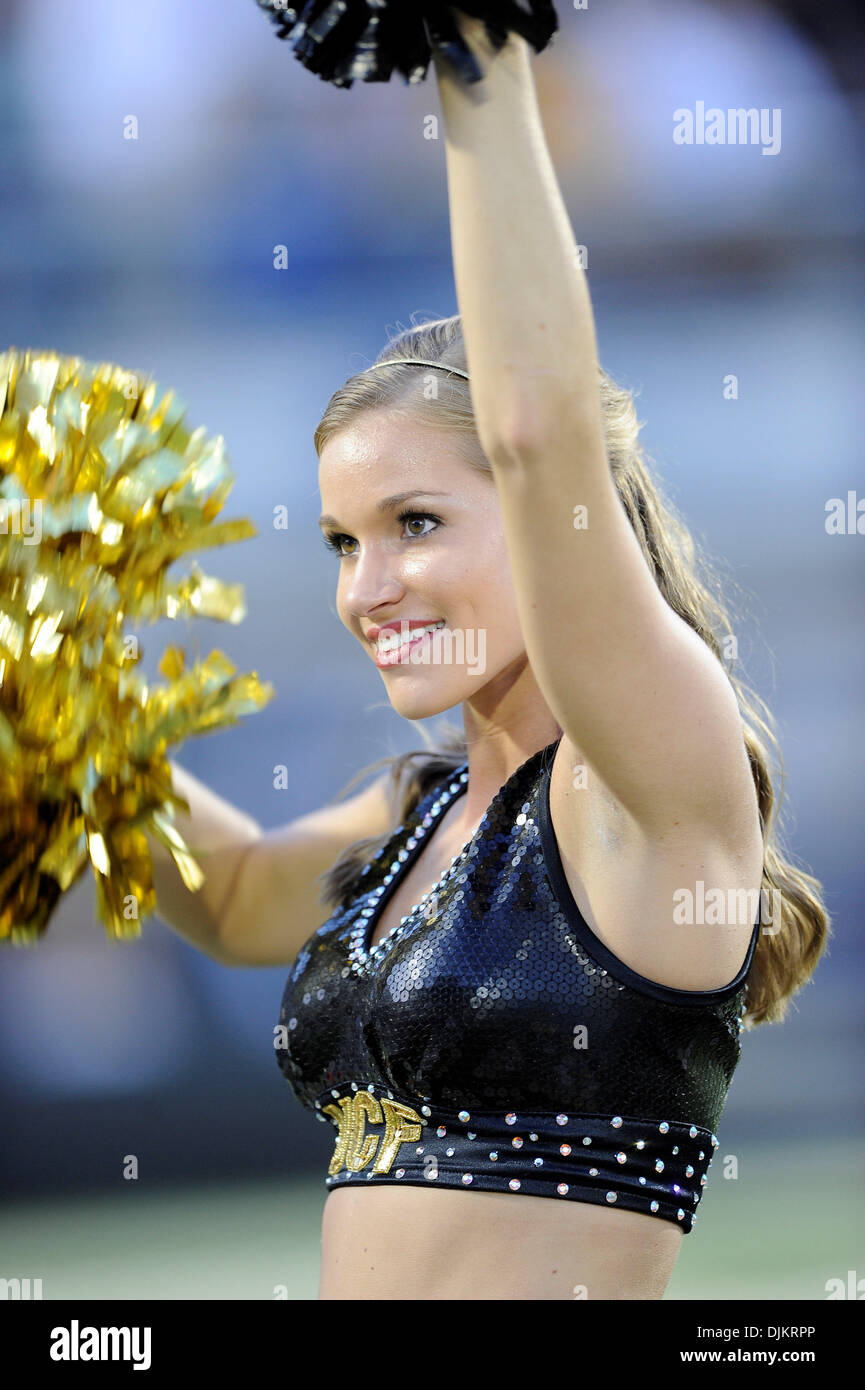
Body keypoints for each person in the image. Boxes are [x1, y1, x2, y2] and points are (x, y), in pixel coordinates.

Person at [148, 14, 828, 1300]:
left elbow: (534, 429)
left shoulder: (635, 788)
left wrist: (480, 58)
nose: (369, 586)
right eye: (343, 541)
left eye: (415, 525)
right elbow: (233, 895)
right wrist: (69, 716)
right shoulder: (415, 813)